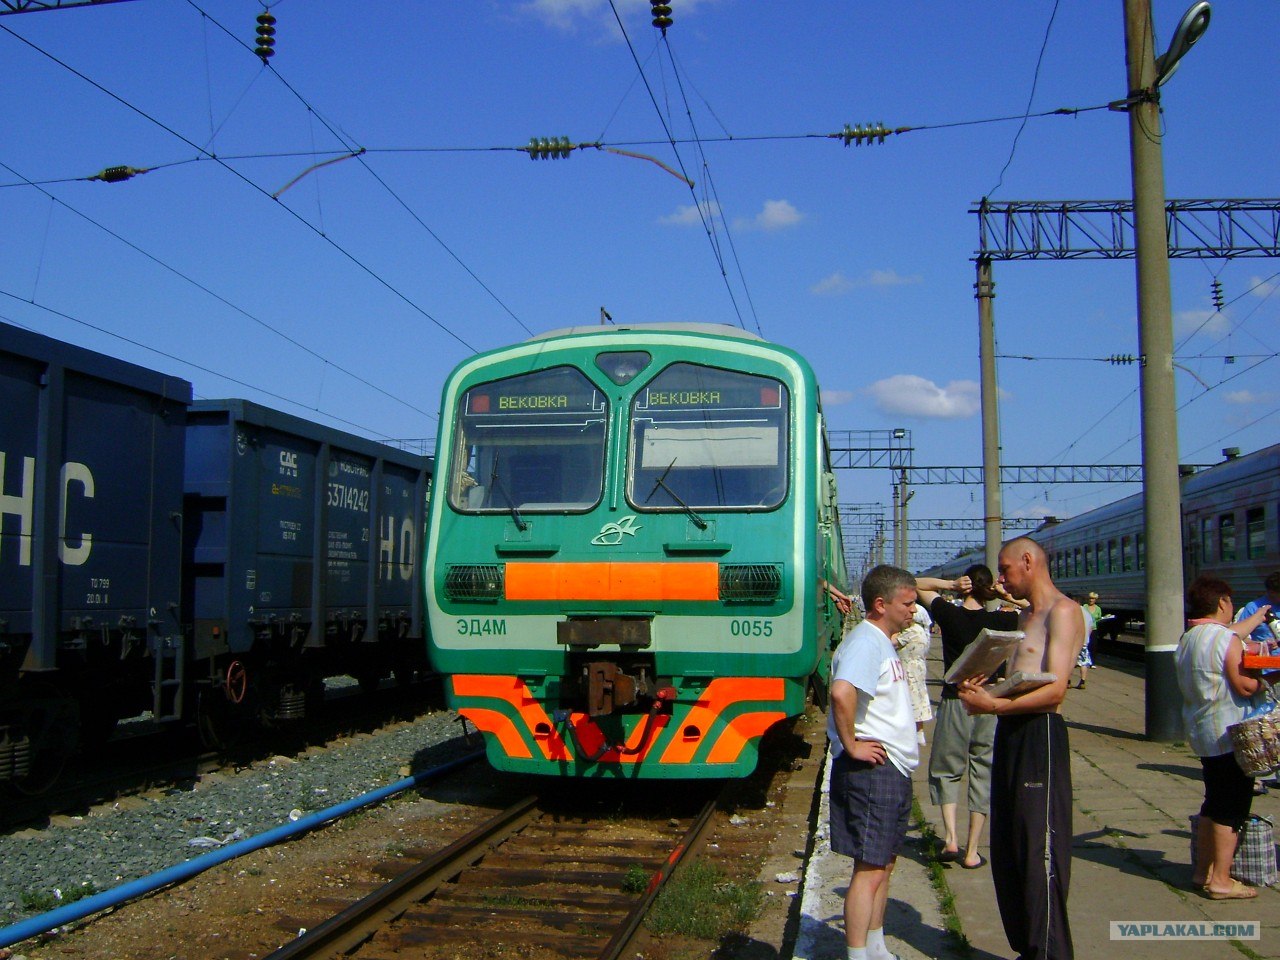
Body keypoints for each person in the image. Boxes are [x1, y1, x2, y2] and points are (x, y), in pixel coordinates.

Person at [956, 537, 1084, 960]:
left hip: (1040, 734)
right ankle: (1029, 947)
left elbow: (1056, 690)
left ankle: (1050, 952)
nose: (1002, 579)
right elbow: (1022, 679)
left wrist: (992, 704)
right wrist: (982, 687)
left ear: (1028, 562)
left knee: (1038, 847)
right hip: (1011, 732)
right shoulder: (1024, 616)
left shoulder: (1063, 612)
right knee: (1010, 846)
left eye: (1006, 569)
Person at [827, 564, 920, 960]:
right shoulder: (866, 641)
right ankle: (857, 954)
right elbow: (841, 692)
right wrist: (851, 745)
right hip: (873, 770)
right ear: (881, 604)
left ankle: (876, 945)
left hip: (892, 767)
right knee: (868, 871)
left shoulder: (882, 640)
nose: (913, 610)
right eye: (908, 603)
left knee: (883, 865)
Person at [915, 567, 1019, 871]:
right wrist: (1005, 596)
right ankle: (973, 850)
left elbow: (911, 582)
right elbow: (1037, 609)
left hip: (955, 699)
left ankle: (951, 838)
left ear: (966, 587)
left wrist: (949, 583)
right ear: (990, 589)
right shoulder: (1005, 618)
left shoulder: (948, 614)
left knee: (947, 769)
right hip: (989, 701)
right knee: (983, 770)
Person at [1176, 575, 1271, 900]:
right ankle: (1221, 879)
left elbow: (1230, 634)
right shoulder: (1224, 639)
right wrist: (1267, 679)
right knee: (1231, 807)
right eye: (1229, 602)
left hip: (1203, 731)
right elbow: (1244, 686)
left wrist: (1257, 618)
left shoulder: (1191, 637)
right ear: (1222, 603)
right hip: (1232, 734)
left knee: (1213, 803)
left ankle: (1202, 872)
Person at [893, 603, 933, 745]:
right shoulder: (920, 630)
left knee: (911, 697)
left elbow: (893, 642)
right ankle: (918, 732)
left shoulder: (911, 631)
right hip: (917, 666)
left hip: (908, 667)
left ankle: (916, 732)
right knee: (918, 696)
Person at [1234, 572, 1280, 651]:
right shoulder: (1253, 607)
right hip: (1268, 660)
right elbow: (1238, 637)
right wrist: (1262, 645)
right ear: (1271, 592)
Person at [1072, 596, 1095, 689]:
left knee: (1071, 661)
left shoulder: (1072, 612)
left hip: (1073, 642)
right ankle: (1082, 681)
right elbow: (1091, 628)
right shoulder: (1087, 613)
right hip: (1084, 641)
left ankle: (1068, 682)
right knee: (1084, 662)